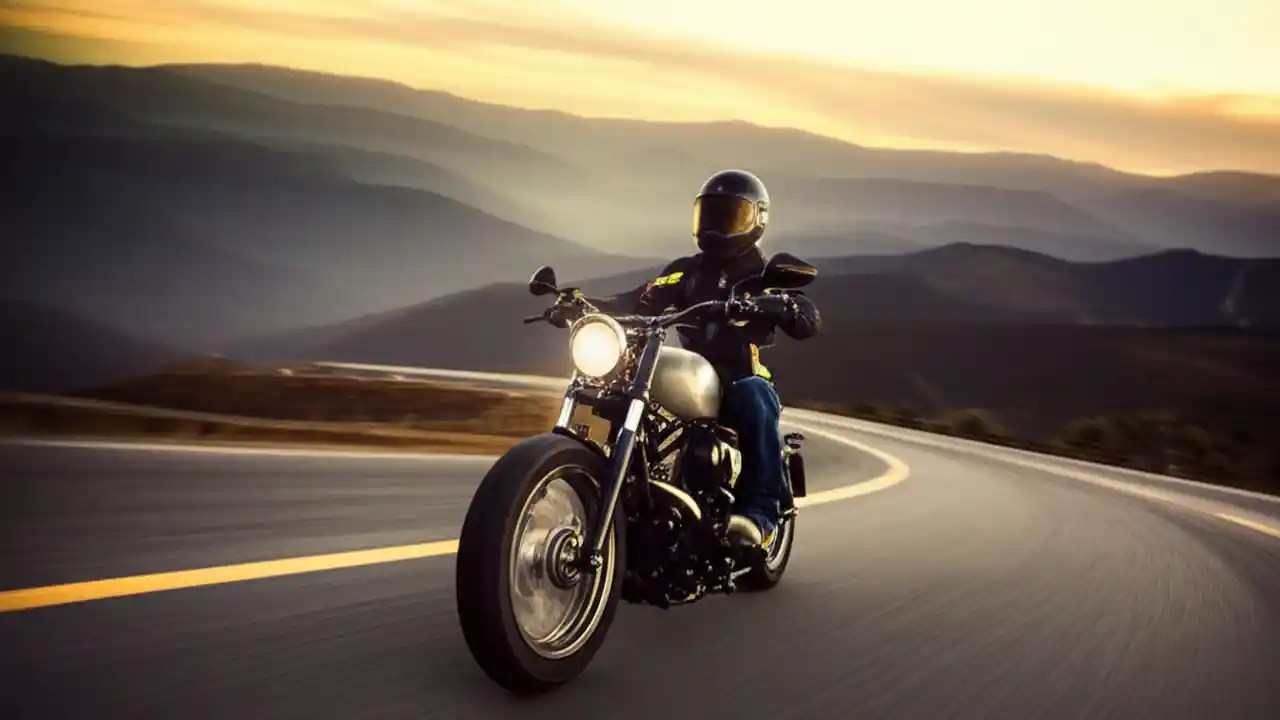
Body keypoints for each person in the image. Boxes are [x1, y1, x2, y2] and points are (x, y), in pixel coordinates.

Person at [569, 169, 822, 548]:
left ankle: (761, 513)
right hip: (690, 379)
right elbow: (637, 300)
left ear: (756, 220)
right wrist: (581, 304)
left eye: (730, 216)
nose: (718, 226)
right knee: (620, 386)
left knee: (754, 395)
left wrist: (784, 305)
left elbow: (807, 318)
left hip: (739, 378)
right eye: (712, 215)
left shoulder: (762, 276)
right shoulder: (685, 272)